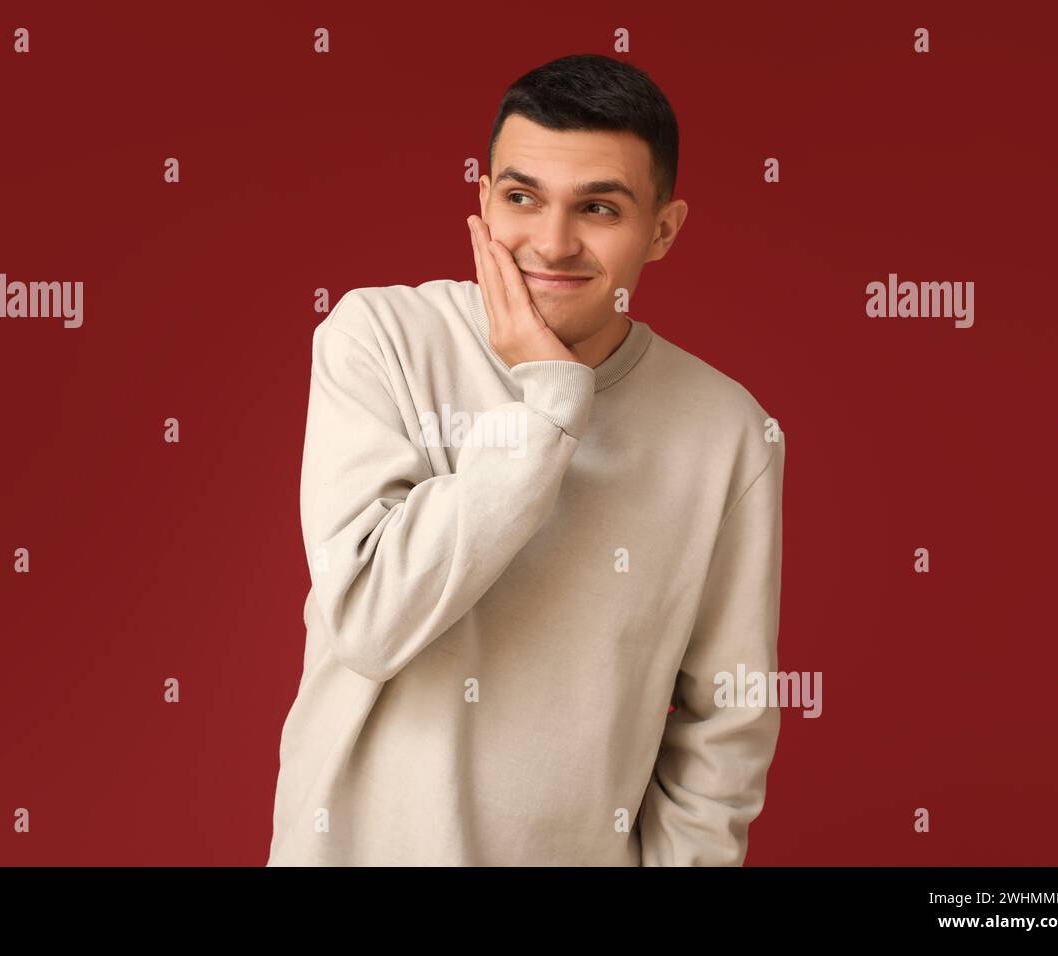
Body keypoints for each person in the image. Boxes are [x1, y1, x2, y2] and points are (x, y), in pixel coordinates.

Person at [268, 53, 786, 866]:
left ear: (663, 229)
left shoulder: (727, 432)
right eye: (521, 198)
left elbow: (729, 720)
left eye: (600, 208)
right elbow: (370, 619)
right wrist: (548, 406)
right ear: (482, 201)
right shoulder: (379, 340)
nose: (552, 242)